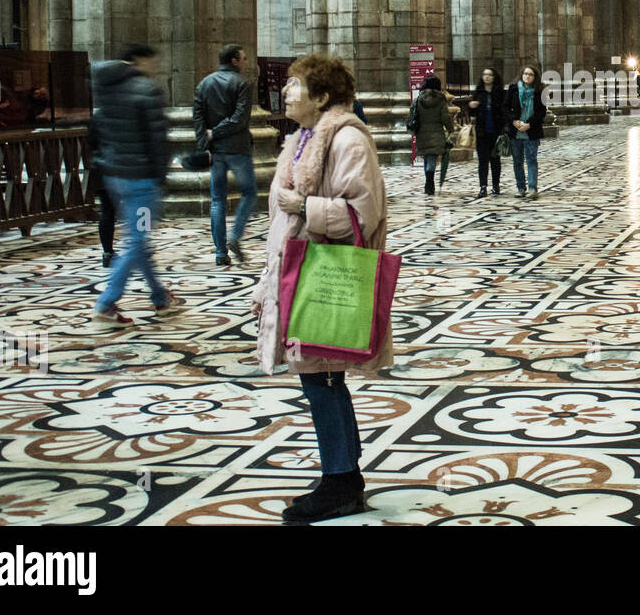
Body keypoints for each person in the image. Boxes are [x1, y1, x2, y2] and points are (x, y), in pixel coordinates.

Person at [249, 54, 388, 525]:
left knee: (324, 379)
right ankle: (342, 476)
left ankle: (340, 481)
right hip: (299, 274)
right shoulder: (301, 139)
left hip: (327, 277)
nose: (286, 92)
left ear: (322, 97)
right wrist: (267, 285)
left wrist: (305, 205)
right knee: (320, 379)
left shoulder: (348, 140)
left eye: (294, 86)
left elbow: (360, 217)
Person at [90, 44, 177, 325]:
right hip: (141, 180)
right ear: (138, 60)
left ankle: (160, 297)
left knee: (139, 242)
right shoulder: (146, 89)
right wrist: (161, 176)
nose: (156, 67)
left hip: (115, 178)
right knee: (136, 242)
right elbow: (157, 140)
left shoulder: (105, 87)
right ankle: (106, 303)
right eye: (153, 61)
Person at [194, 43, 256, 267]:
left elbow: (198, 119)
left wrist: (206, 145)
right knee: (249, 193)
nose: (246, 62)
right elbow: (240, 118)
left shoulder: (204, 84)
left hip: (217, 151)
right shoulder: (242, 84)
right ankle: (235, 236)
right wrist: (216, 132)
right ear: (234, 61)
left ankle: (220, 253)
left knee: (217, 200)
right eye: (244, 58)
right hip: (238, 148)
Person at [505, 65, 546, 198]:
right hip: (516, 131)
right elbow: (505, 108)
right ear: (521, 75)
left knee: (531, 159)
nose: (527, 76)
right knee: (517, 160)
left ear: (535, 77)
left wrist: (529, 124)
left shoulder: (539, 91)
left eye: (531, 74)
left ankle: (533, 188)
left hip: (531, 130)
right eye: (525, 73)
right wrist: (514, 121)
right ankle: (521, 187)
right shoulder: (513, 90)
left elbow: (541, 112)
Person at [413, 75, 454, 196]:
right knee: (431, 158)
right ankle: (429, 183)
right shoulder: (440, 100)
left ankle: (428, 181)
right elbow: (445, 117)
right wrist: (450, 129)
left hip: (421, 132)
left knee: (427, 156)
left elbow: (414, 114)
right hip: (436, 132)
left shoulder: (418, 99)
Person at [468, 67, 505, 198]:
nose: (487, 77)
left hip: (495, 131)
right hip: (482, 131)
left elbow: (504, 110)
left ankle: (496, 185)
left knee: (495, 160)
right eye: (485, 74)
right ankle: (483, 187)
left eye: (489, 75)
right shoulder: (479, 93)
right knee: (482, 161)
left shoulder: (499, 92)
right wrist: (472, 107)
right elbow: (472, 113)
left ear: (494, 77)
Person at [86, 106, 116, 267]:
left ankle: (107, 251)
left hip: (101, 167)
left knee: (107, 211)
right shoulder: (129, 111)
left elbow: (91, 139)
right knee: (140, 208)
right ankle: (139, 248)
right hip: (125, 168)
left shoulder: (99, 113)